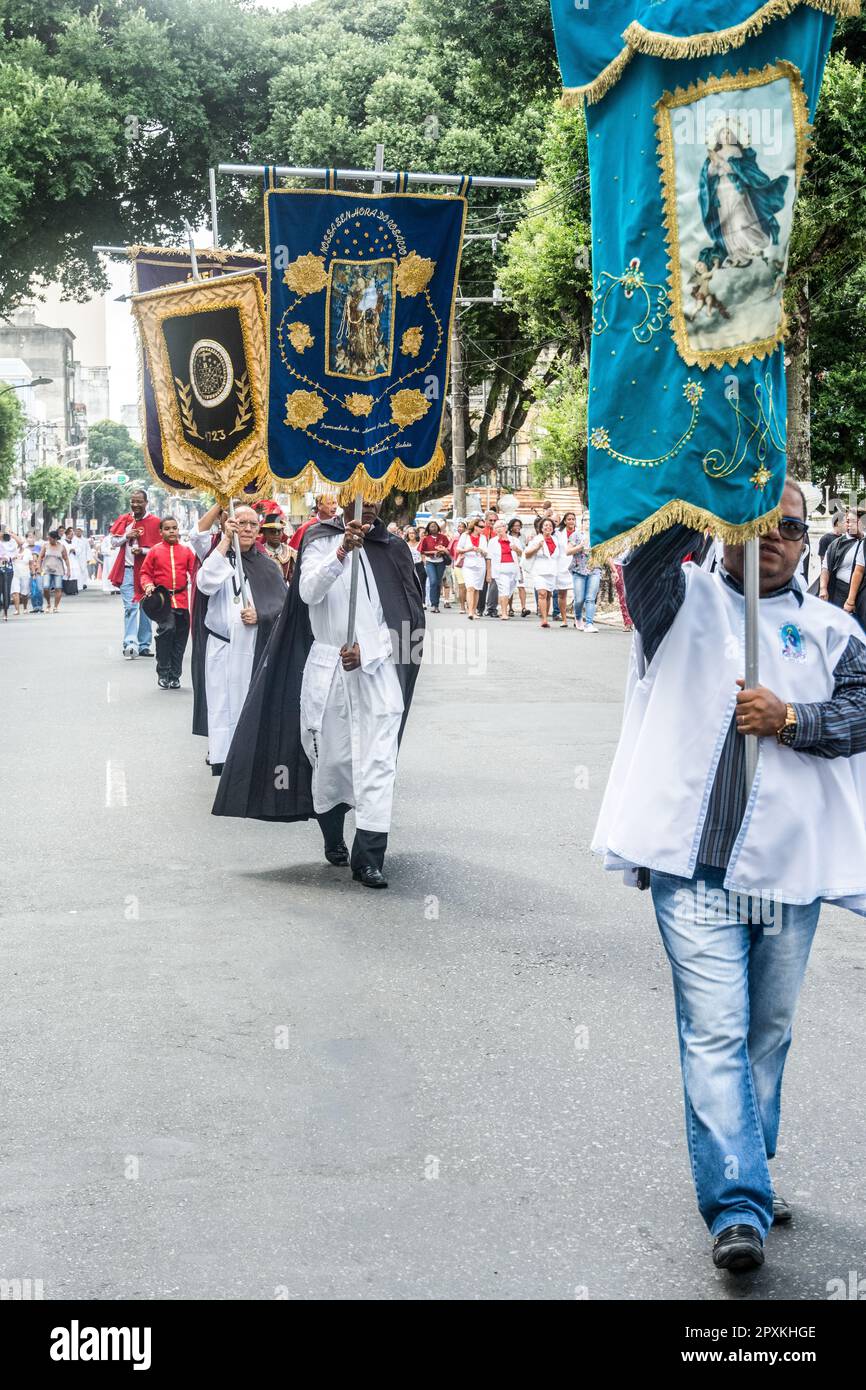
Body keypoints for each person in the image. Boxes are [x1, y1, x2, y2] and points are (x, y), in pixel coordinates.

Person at [594, 479, 866, 1273]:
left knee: (766, 1032)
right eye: (755, 523)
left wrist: (793, 719)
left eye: (787, 526)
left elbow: (862, 713)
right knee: (714, 1030)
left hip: (789, 873)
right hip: (696, 871)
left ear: (806, 538)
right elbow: (644, 548)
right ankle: (737, 1204)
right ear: (725, 529)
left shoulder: (833, 631)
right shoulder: (678, 601)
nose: (771, 537)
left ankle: (749, 1161)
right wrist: (699, 466)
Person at [213, 500, 425, 890]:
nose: (370, 503)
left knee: (379, 763)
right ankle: (333, 835)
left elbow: (409, 617)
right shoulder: (319, 540)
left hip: (377, 671)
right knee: (332, 761)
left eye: (376, 494)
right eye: (361, 495)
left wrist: (371, 649)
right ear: (345, 498)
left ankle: (370, 856)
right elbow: (308, 592)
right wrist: (342, 550)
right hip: (329, 670)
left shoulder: (394, 549)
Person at [195, 506, 287, 773]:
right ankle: (223, 758)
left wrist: (261, 614)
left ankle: (247, 756)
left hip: (252, 644)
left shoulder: (267, 564)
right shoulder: (219, 555)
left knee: (247, 700)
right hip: (222, 645)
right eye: (241, 523)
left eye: (252, 525)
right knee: (221, 702)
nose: (247, 529)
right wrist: (225, 540)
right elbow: (206, 583)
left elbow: (282, 604)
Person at [140, 517, 197, 689]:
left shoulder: (186, 551)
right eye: (167, 528)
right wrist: (148, 585)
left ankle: (175, 676)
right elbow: (145, 573)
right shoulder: (154, 551)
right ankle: (163, 671)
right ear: (161, 532)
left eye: (174, 528)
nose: (171, 531)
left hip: (182, 601)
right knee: (167, 629)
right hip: (163, 602)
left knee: (181, 638)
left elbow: (195, 573)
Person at [109, 490, 162, 658]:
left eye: (139, 501)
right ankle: (130, 643)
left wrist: (143, 551)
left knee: (146, 608)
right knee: (130, 607)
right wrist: (127, 535)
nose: (136, 505)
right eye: (133, 501)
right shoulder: (125, 520)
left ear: (146, 503)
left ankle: (144, 644)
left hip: (146, 573)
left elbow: (159, 548)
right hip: (127, 570)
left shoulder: (155, 522)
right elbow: (114, 541)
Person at [820, 509, 864, 611]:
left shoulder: (864, 542)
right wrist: (823, 588)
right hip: (841, 592)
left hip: (862, 593)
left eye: (853, 522)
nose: (849, 525)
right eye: (847, 521)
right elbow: (825, 568)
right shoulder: (836, 544)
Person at [524, 518, 561, 628]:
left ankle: (546, 615)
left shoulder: (555, 540)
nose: (548, 527)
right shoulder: (537, 539)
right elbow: (527, 554)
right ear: (541, 528)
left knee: (548, 595)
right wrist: (538, 547)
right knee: (542, 594)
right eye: (545, 525)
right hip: (539, 571)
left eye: (550, 526)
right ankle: (544, 619)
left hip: (552, 571)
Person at [568, 514, 602, 632]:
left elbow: (605, 553)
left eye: (590, 520)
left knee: (590, 598)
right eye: (585, 520)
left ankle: (589, 623)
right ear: (582, 522)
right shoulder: (575, 535)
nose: (588, 522)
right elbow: (568, 551)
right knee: (579, 599)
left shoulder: (597, 535)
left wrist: (613, 570)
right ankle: (578, 617)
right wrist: (580, 546)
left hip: (595, 569)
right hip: (579, 570)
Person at [486, 520, 520, 619]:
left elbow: (522, 554)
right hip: (500, 570)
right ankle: (504, 613)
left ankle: (503, 608)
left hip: (513, 569)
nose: (499, 529)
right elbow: (489, 558)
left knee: (509, 590)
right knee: (504, 590)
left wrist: (516, 549)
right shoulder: (493, 541)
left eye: (501, 526)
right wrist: (489, 573)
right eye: (496, 528)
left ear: (505, 528)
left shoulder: (514, 540)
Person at [455, 517, 487, 619]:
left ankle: (474, 611)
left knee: (477, 589)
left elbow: (486, 553)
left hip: (480, 564)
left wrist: (481, 550)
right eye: (481, 526)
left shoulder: (483, 537)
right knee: (470, 588)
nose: (483, 528)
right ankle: (470, 612)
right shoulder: (465, 535)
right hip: (468, 564)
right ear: (475, 526)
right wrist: (468, 549)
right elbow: (458, 549)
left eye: (483, 526)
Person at [418, 520, 450, 614]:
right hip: (430, 562)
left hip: (441, 562)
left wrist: (442, 551)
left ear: (438, 528)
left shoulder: (443, 537)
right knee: (433, 581)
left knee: (438, 583)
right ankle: (433, 604)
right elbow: (421, 551)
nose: (434, 528)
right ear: (429, 528)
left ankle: (436, 605)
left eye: (435, 526)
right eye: (431, 526)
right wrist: (432, 552)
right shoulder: (426, 539)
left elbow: (449, 548)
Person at [38, 530, 71, 613]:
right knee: (46, 587)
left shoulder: (62, 547)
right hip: (47, 569)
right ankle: (48, 603)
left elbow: (66, 558)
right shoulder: (45, 546)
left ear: (56, 538)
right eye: (48, 538)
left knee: (58, 588)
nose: (49, 540)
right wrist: (39, 567)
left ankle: (55, 606)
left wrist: (68, 569)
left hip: (58, 570)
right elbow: (40, 557)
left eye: (51, 539)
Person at [258, 505, 293, 581]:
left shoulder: (291, 553)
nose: (276, 534)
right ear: (264, 533)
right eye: (272, 531)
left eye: (279, 531)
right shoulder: (258, 553)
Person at [505, 517, 529, 617]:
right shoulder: (506, 537)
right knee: (510, 587)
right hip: (509, 564)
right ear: (511, 527)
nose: (518, 527)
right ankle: (510, 608)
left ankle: (523, 608)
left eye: (519, 526)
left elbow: (524, 552)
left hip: (520, 564)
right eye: (515, 526)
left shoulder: (522, 537)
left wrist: (518, 550)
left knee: (521, 586)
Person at [10, 531, 37, 615]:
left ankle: (25, 608)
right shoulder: (12, 550)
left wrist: (33, 574)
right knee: (15, 592)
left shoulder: (27, 552)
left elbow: (31, 563)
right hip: (14, 574)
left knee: (24, 593)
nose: (20, 544)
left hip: (25, 574)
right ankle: (17, 609)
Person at [0, 526, 21, 619]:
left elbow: (20, 543)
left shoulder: (10, 541)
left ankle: (5, 612)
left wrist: (11, 533)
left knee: (6, 590)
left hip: (8, 569)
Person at [449, 521, 468, 614]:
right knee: (461, 586)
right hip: (458, 564)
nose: (460, 528)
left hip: (469, 564)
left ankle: (470, 605)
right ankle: (462, 606)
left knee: (470, 587)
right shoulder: (455, 539)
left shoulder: (469, 538)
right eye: (459, 526)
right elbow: (450, 551)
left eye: (462, 527)